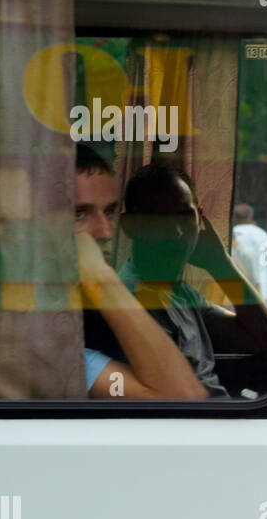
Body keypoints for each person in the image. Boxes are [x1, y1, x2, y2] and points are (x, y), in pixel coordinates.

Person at [109, 161, 267, 398]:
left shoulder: (179, 294)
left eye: (184, 216)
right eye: (159, 220)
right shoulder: (133, 302)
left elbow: (260, 338)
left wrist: (220, 264)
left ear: (200, 220)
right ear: (130, 226)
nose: (177, 231)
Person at [73, 144, 208, 399]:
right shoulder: (41, 333)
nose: (105, 231)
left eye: (109, 212)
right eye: (79, 213)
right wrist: (100, 276)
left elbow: (256, 338)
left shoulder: (79, 319)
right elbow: (184, 398)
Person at [231, 203, 267, 307]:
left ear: (234, 217)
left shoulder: (233, 235)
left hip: (242, 295)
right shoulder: (263, 234)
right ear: (251, 216)